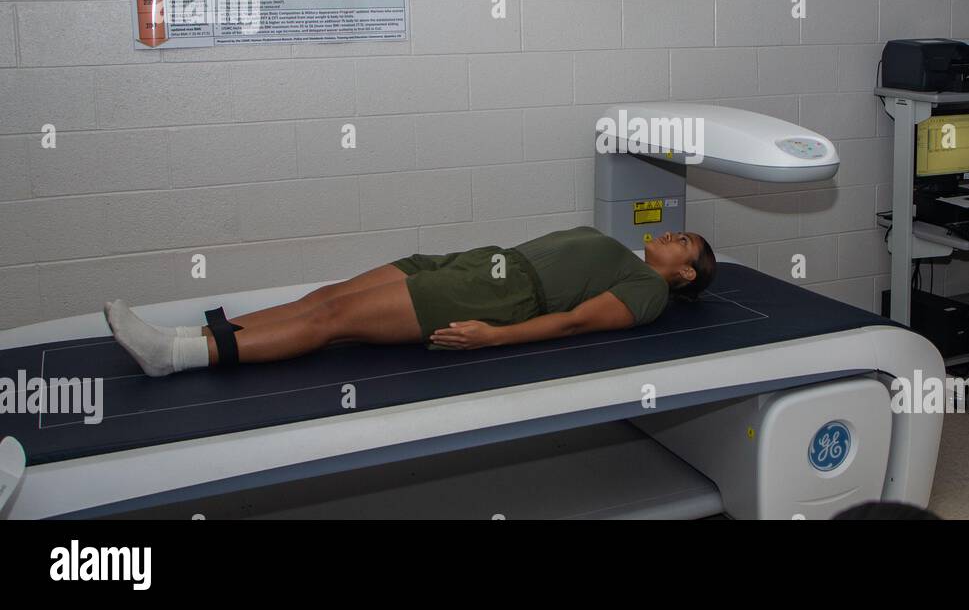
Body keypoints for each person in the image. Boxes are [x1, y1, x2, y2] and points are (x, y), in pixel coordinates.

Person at [105, 226, 716, 377]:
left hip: (501, 292)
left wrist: (494, 336)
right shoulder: (629, 256)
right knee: (328, 296)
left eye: (680, 241)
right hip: (480, 261)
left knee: (333, 320)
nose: (668, 234)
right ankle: (188, 339)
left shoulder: (648, 292)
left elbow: (576, 323)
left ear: (684, 273)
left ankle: (177, 359)